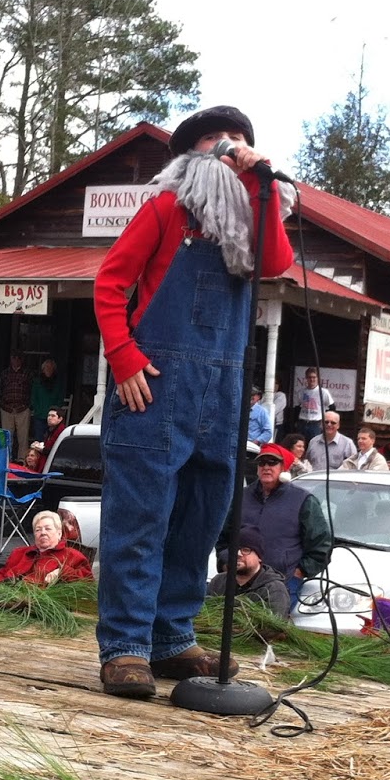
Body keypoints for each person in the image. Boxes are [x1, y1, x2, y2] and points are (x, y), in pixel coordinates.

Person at [93, 104, 294, 698]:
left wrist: (260, 185)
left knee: (201, 520)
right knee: (141, 519)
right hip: (156, 387)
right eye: (214, 138)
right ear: (189, 154)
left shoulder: (251, 223)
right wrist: (124, 356)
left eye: (237, 138)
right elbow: (110, 283)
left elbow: (276, 263)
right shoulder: (164, 208)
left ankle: (171, 638)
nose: (228, 145)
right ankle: (126, 646)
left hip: (223, 392)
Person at [237, 445, 331, 605]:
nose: (266, 467)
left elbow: (321, 544)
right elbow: (222, 535)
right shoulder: (241, 496)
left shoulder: (303, 500)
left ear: (283, 468)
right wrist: (225, 563)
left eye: (272, 462)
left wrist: (300, 572)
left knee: (274, 621)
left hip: (284, 583)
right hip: (239, 580)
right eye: (262, 463)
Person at [205, 525, 290, 619]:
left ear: (259, 557)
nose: (238, 554)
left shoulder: (274, 589)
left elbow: (275, 625)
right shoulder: (218, 582)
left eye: (245, 550)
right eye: (234, 549)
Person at [0, 509, 93, 586]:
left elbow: (88, 581)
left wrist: (62, 572)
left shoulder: (71, 555)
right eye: (38, 530)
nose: (43, 533)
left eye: (48, 529)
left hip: (42, 602)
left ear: (59, 533)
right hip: (9, 598)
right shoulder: (19, 553)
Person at [0, 352, 33, 458]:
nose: (16, 360)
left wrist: (28, 405)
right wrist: (0, 404)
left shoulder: (27, 374)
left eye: (18, 358)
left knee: (23, 438)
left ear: (22, 360)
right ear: (11, 359)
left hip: (23, 409)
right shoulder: (5, 373)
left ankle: (22, 460)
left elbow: (32, 390)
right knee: (7, 437)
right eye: (14, 357)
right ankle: (7, 459)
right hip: (7, 409)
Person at [30, 358, 65, 441]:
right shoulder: (37, 382)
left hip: (54, 417)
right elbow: (33, 398)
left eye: (51, 368)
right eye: (47, 367)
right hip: (40, 415)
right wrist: (37, 409)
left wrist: (56, 412)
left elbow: (60, 399)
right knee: (39, 440)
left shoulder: (57, 383)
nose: (48, 370)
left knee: (53, 439)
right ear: (43, 370)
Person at [295, 367, 335, 437]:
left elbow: (332, 407)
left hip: (316, 424)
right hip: (302, 422)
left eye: (314, 377)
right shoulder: (301, 392)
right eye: (309, 377)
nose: (312, 379)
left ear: (318, 378)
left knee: (315, 443)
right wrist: (296, 422)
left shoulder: (323, 392)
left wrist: (326, 421)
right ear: (306, 378)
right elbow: (297, 407)